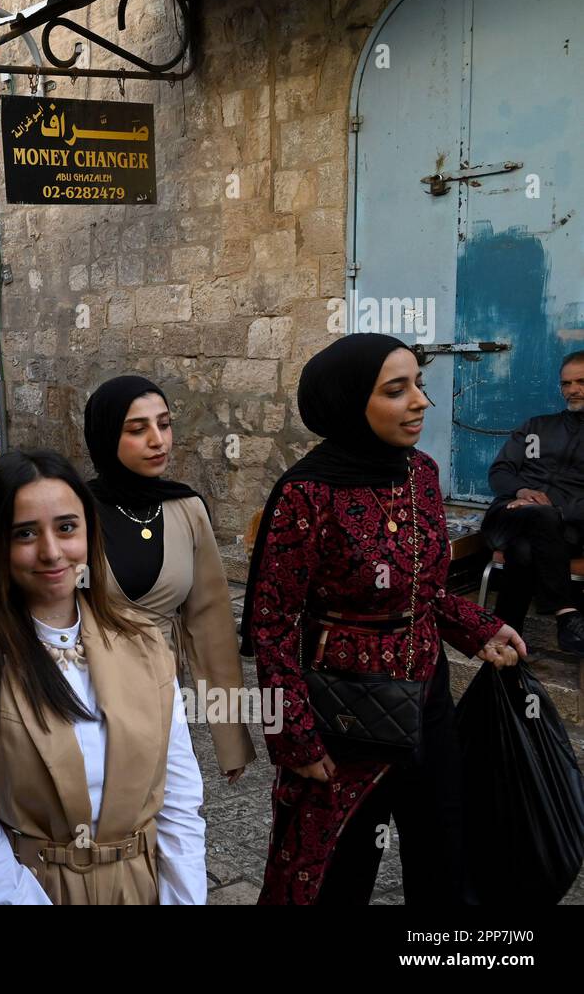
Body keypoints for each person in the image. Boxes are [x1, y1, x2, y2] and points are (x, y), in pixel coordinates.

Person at [241, 333, 527, 905]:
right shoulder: (306, 493)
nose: (421, 401)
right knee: (331, 870)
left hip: (427, 698)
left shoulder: (419, 473)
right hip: (343, 713)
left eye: (418, 384)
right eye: (397, 390)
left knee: (444, 848)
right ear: (349, 402)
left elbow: (424, 588)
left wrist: (479, 627)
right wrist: (294, 737)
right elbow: (273, 626)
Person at [0, 449, 207, 904]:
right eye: (25, 533)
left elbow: (180, 798)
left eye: (66, 528)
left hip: (140, 887)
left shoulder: (142, 642)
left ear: (89, 531)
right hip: (29, 888)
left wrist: (183, 898)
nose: (51, 552)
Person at [83, 377, 256, 783]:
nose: (158, 440)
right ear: (106, 435)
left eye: (164, 424)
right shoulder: (74, 512)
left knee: (172, 819)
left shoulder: (186, 508)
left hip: (160, 697)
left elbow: (210, 627)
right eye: (137, 429)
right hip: (84, 698)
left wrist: (228, 735)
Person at [481, 350, 584, 652]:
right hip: (508, 519)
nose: (572, 390)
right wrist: (522, 492)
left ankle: (504, 643)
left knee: (524, 551)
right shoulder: (536, 426)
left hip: (565, 530)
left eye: (581, 382)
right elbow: (500, 471)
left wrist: (556, 510)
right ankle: (565, 611)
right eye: (566, 384)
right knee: (533, 525)